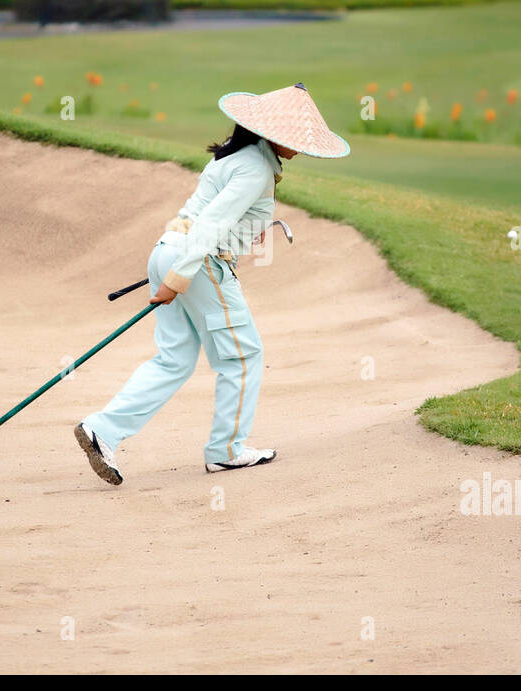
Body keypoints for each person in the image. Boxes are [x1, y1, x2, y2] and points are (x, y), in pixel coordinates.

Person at [74, 83, 350, 484]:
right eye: (294, 139)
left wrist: (182, 265)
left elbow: (213, 216)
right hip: (198, 263)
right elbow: (212, 224)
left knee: (174, 360)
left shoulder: (235, 158)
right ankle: (227, 451)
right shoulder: (256, 168)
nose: (300, 148)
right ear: (268, 133)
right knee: (242, 356)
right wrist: (179, 277)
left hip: (169, 249)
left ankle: (103, 430)